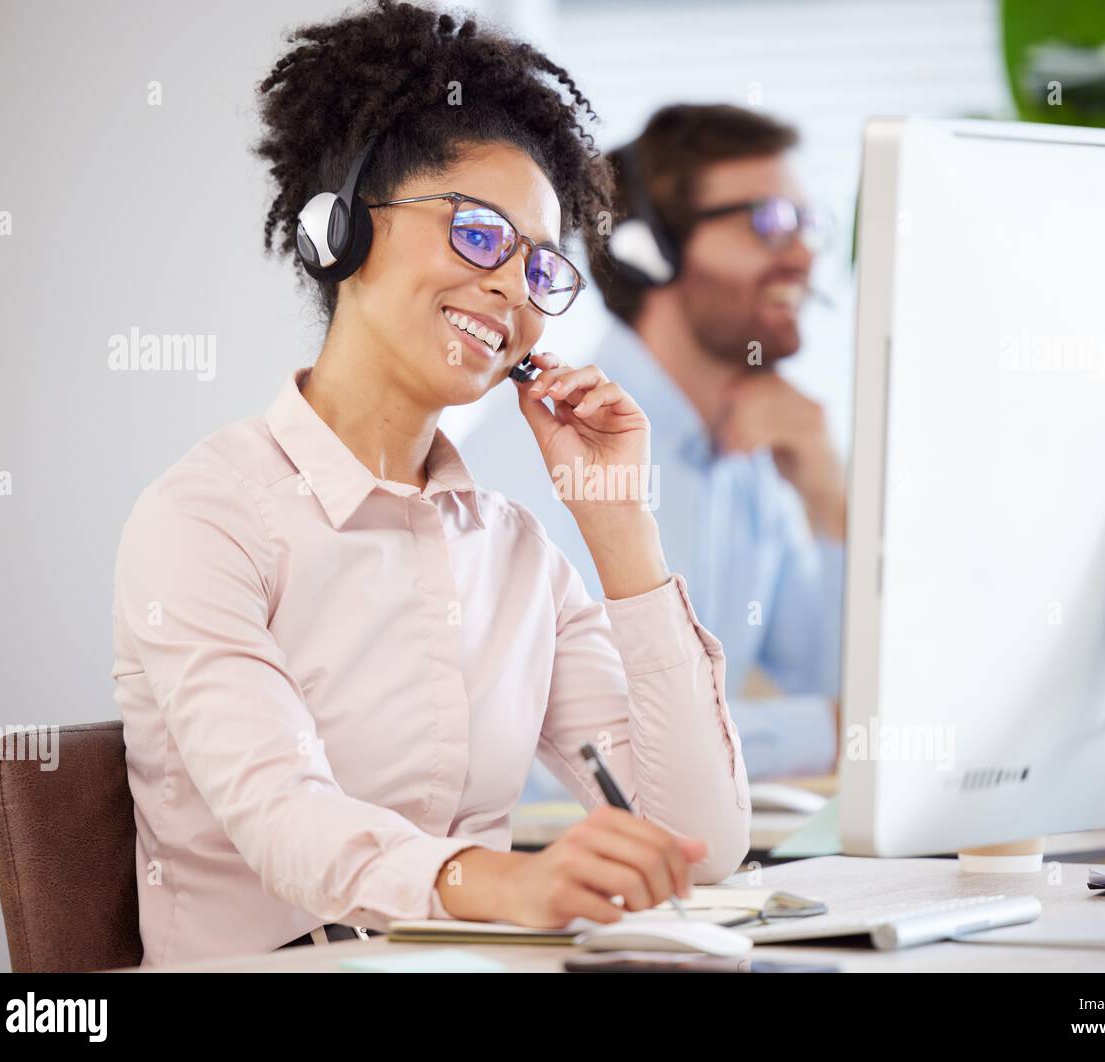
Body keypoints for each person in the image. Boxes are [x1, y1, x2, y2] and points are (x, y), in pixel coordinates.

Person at [110, 2, 748, 967]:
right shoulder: (204, 521)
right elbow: (284, 818)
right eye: (481, 237)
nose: (513, 291)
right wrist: (503, 884)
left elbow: (701, 845)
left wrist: (621, 525)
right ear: (343, 234)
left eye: (543, 270)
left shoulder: (514, 552)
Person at [464, 104, 846, 799]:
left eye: (806, 222)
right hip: (549, 871)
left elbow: (829, 688)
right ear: (650, 249)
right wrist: (820, 731)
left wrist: (830, 497)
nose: (802, 254)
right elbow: (580, 749)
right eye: (768, 222)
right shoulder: (550, 447)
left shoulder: (753, 449)